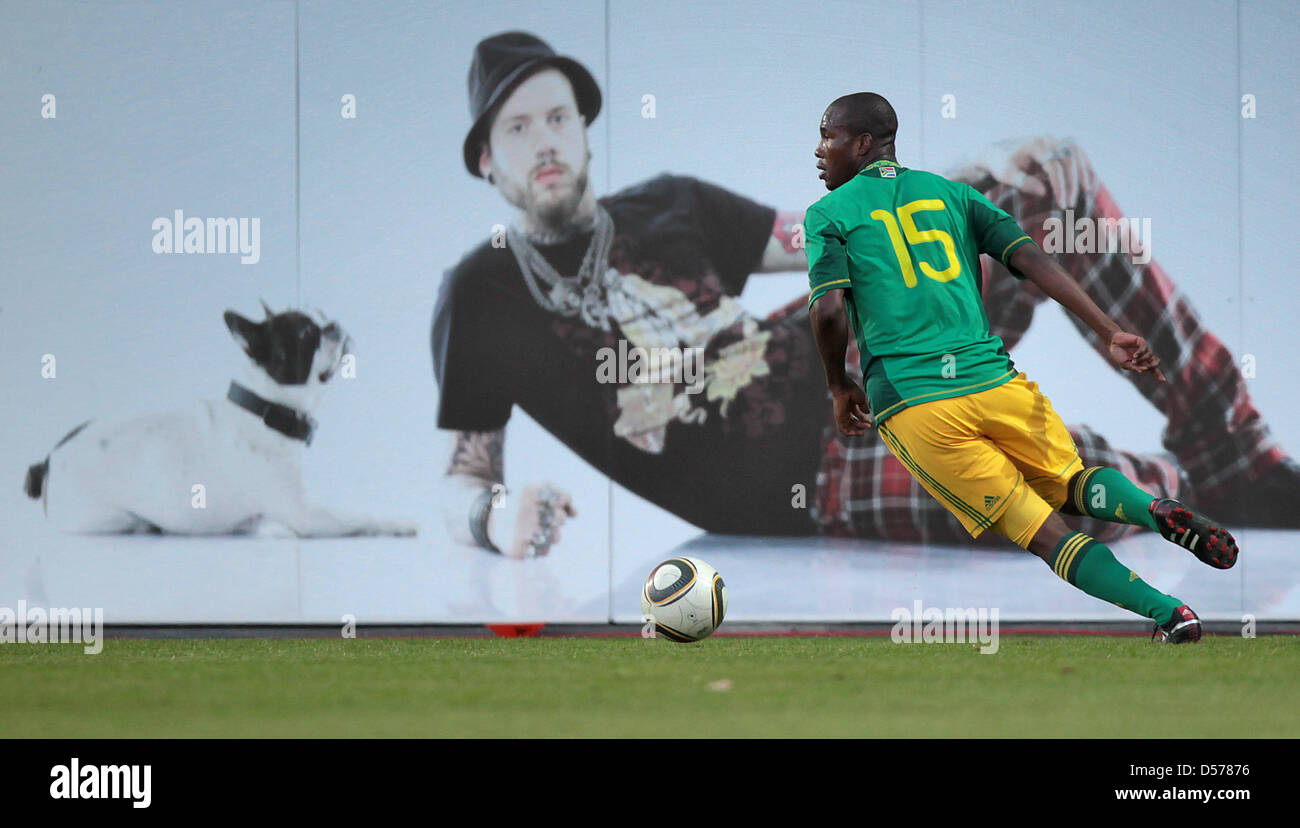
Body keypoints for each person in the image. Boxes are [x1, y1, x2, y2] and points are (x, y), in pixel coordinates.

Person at [433, 31, 1297, 561]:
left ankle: (1237, 458)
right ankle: (1189, 487)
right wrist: (498, 520)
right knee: (1080, 494)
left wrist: (963, 186)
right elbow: (465, 475)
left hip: (848, 358)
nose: (544, 142)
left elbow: (825, 235)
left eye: (557, 118)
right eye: (518, 128)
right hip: (819, 471)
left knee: (1048, 169)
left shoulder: (670, 203)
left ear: (584, 130)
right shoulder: (480, 293)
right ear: (486, 159)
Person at [806, 92, 1239, 643]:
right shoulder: (955, 194)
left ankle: (1171, 613)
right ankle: (1155, 510)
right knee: (1072, 482)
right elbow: (1032, 258)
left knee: (1043, 532)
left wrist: (838, 385)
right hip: (995, 382)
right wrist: (1110, 330)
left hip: (917, 401)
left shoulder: (828, 214)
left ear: (863, 144)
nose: (819, 151)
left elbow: (827, 310)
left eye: (828, 137)